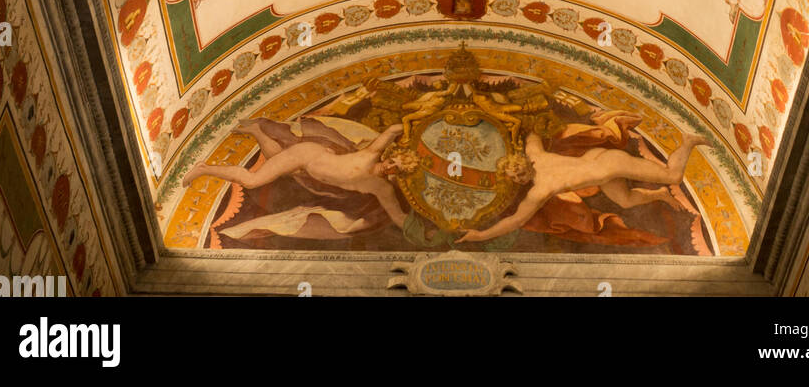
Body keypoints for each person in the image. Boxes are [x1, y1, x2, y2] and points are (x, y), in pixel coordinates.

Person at [457, 127, 709, 242]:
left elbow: (531, 126)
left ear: (522, 161)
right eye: (516, 178)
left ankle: (687, 142)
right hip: (603, 172)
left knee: (673, 176)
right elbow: (515, 221)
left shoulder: (538, 169)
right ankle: (661, 194)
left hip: (610, 164)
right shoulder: (538, 186)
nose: (521, 177)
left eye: (520, 171)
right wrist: (481, 235)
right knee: (626, 200)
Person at [184, 117, 414, 230]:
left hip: (310, 174)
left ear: (400, 175)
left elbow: (398, 217)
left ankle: (256, 131)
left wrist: (435, 234)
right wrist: (414, 126)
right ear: (391, 155)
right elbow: (393, 130)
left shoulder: (381, 188)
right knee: (253, 181)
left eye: (397, 169)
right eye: (393, 160)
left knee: (277, 164)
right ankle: (204, 168)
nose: (390, 166)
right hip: (309, 155)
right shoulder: (372, 153)